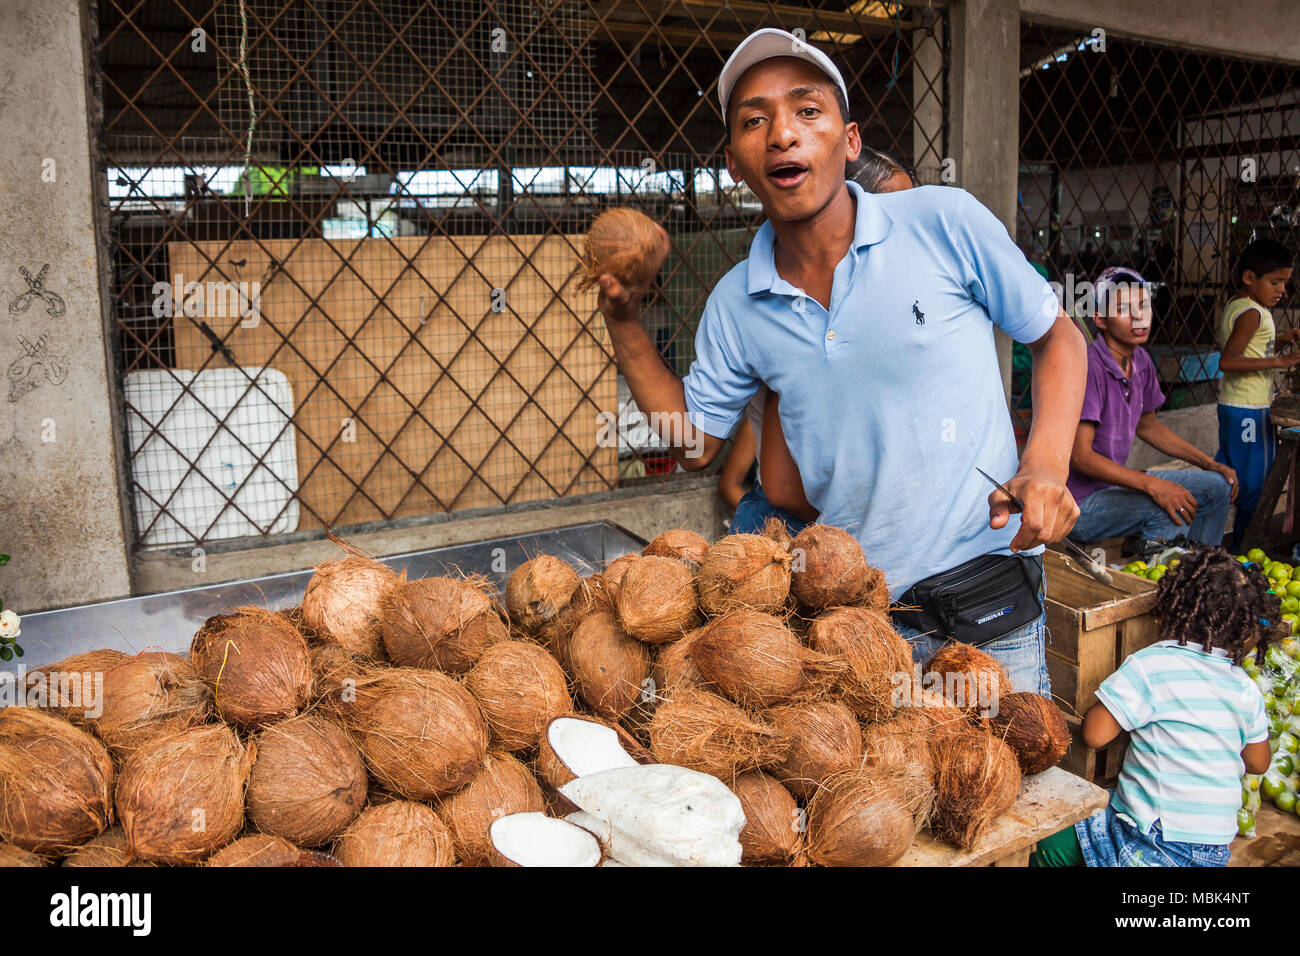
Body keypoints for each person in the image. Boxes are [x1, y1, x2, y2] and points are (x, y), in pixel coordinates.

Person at [594, 28, 1087, 692]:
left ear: (848, 141)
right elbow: (695, 442)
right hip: (851, 623)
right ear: (736, 166)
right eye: (753, 121)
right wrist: (625, 322)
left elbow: (1057, 338)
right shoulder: (737, 303)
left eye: (807, 110)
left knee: (1007, 786)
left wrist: (1046, 466)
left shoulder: (945, 223)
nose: (782, 134)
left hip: (984, 606)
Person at [1031, 547, 1274, 866]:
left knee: (1044, 844)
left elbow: (1094, 735)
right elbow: (1258, 762)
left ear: (1173, 607)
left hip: (1149, 838)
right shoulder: (1245, 687)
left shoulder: (1153, 664)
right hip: (1212, 853)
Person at [721, 146, 918, 534]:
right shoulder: (801, 321)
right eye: (893, 213)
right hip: (796, 534)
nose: (909, 228)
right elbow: (781, 484)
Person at [1067, 267, 1237, 548]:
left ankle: (1201, 571)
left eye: (1143, 305)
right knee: (1169, 506)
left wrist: (1209, 463)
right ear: (1100, 319)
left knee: (1216, 487)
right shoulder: (1089, 367)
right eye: (1123, 309)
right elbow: (1081, 458)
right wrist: (1152, 485)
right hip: (1080, 503)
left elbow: (1148, 426)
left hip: (1115, 488)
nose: (1139, 316)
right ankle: (1158, 581)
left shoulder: (1141, 360)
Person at [1215, 239, 1299, 546]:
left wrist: (1281, 342)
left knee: (1226, 474)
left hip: (1235, 407)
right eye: (1275, 282)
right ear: (1249, 278)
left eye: (1285, 283)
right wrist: (1281, 360)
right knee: (1254, 485)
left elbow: (1251, 349)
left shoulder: (1241, 306)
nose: (1281, 291)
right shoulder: (1253, 313)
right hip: (1248, 409)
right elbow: (1229, 360)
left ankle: (1210, 543)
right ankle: (1242, 549)